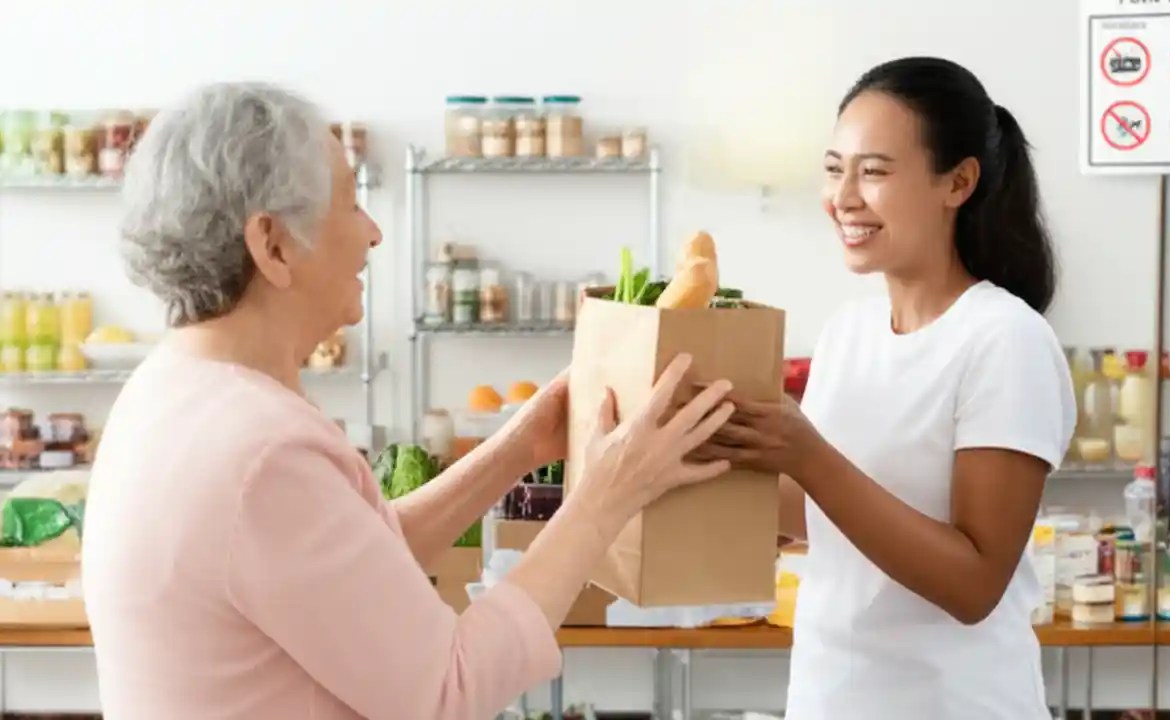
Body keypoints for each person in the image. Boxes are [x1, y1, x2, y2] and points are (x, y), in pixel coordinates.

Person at [81, 81, 736, 720]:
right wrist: (604, 499)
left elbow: (365, 562)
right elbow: (448, 688)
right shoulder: (260, 453)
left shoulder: (168, 391)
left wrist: (518, 448)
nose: (372, 232)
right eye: (347, 201)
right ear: (272, 244)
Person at [702, 57, 1076, 719]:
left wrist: (806, 452)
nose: (843, 195)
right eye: (833, 168)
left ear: (958, 182)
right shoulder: (852, 329)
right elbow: (817, 514)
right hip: (829, 699)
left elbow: (973, 583)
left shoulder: (1004, 340)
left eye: (873, 171)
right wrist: (716, 451)